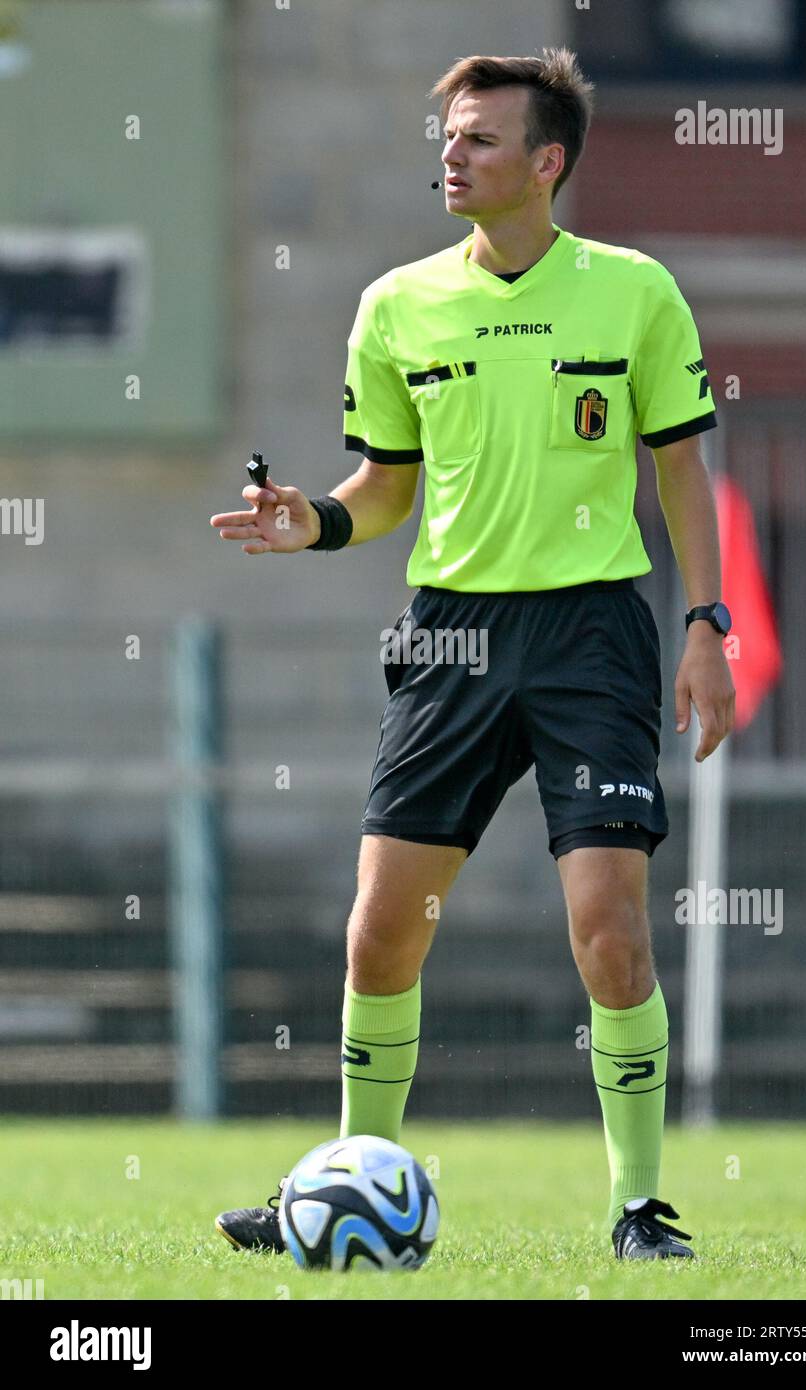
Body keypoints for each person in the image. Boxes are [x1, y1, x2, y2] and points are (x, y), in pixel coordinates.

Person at [209, 46, 735, 1261]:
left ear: (546, 162)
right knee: (381, 930)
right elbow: (387, 488)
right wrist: (316, 522)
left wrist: (706, 626)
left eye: (480, 138)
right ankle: (343, 1178)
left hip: (593, 631)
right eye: (447, 136)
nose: (452, 154)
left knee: (609, 927)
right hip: (449, 632)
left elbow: (682, 469)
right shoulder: (397, 305)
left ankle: (640, 1208)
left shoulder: (637, 292)